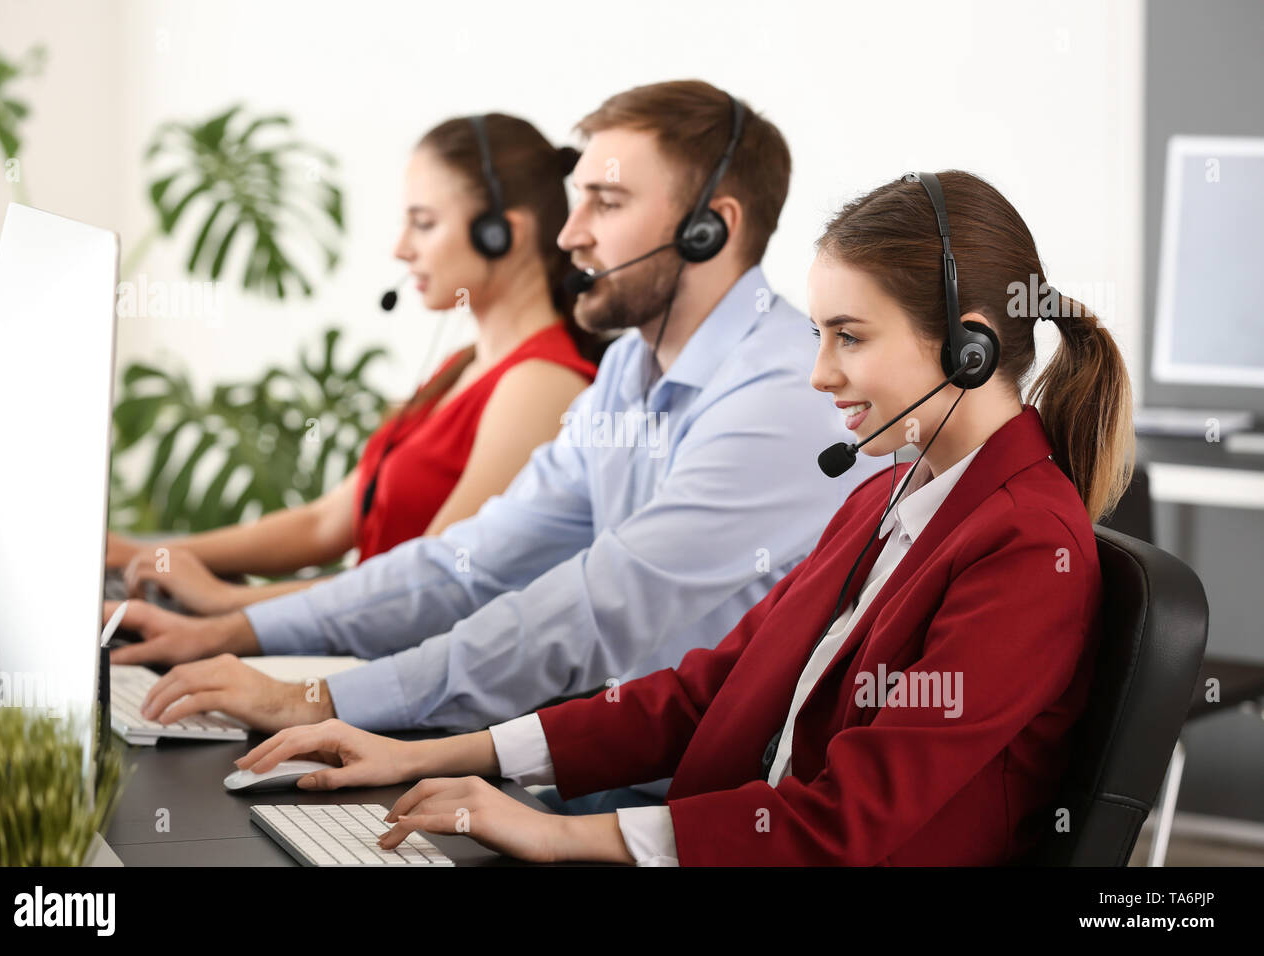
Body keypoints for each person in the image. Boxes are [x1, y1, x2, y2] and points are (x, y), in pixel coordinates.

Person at [231, 169, 1135, 865]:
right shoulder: (889, 493)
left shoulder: (1024, 545)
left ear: (969, 346)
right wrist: (435, 754)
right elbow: (707, 688)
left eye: (848, 337)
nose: (818, 374)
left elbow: (848, 823)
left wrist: (558, 837)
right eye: (818, 333)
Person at [106, 81, 877, 814]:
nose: (571, 234)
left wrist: (317, 699)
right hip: (601, 773)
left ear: (712, 227)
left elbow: (596, 607)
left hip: (706, 810)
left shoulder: (786, 391)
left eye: (606, 203)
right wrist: (239, 634)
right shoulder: (625, 373)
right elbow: (470, 560)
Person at [107, 113, 600, 615]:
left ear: (501, 233)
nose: (401, 248)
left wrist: (233, 604)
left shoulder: (539, 385)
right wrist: (153, 555)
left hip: (390, 661)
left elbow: (430, 586)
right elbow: (325, 522)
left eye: (424, 223)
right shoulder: (464, 365)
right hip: (356, 640)